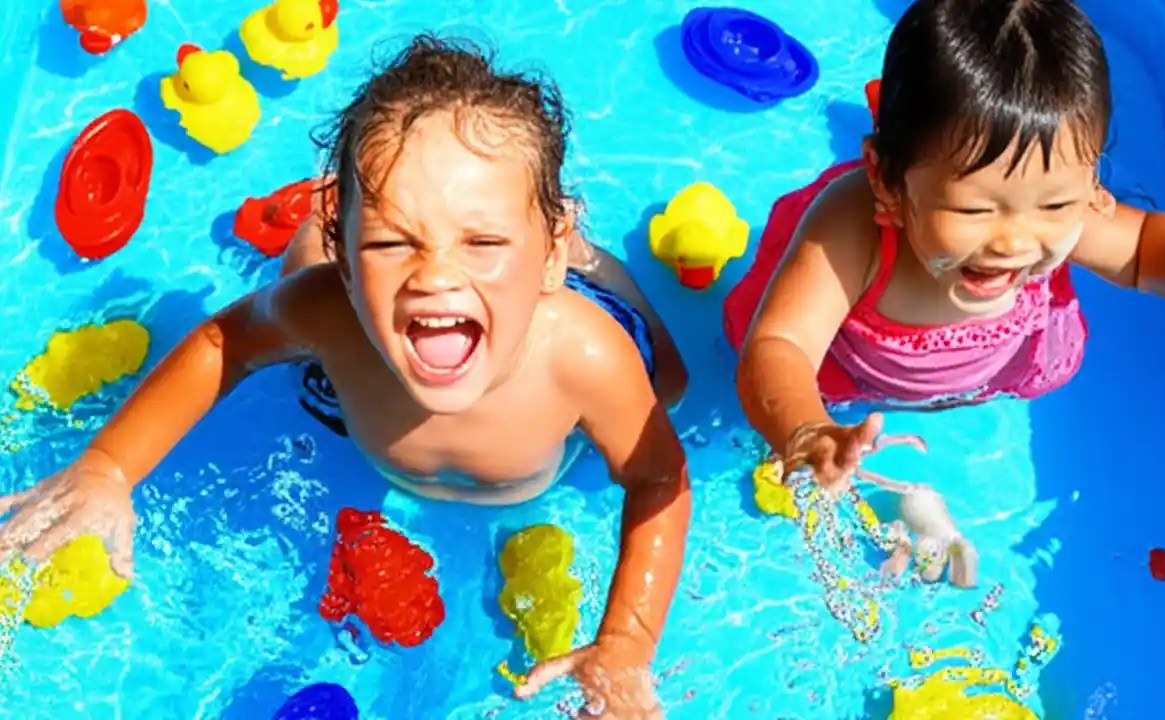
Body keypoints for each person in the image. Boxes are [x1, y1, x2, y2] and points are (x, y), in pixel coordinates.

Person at [0, 35, 690, 718]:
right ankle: (358, 227)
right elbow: (223, 342)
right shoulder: (330, 310)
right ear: (349, 254)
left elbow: (657, 477)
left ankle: (582, 254)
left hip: (563, 319)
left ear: (543, 260)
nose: (436, 274)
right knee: (300, 295)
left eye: (482, 243)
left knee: (668, 382)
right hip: (360, 359)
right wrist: (109, 467)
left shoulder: (585, 356)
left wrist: (625, 643)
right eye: (391, 242)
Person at [725, 0, 1165, 490]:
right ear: (886, 181)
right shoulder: (854, 227)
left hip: (994, 366)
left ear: (1091, 184)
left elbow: (1141, 250)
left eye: (1059, 204)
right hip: (863, 374)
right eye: (973, 209)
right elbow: (781, 345)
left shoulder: (1049, 202)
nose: (1015, 241)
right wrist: (807, 429)